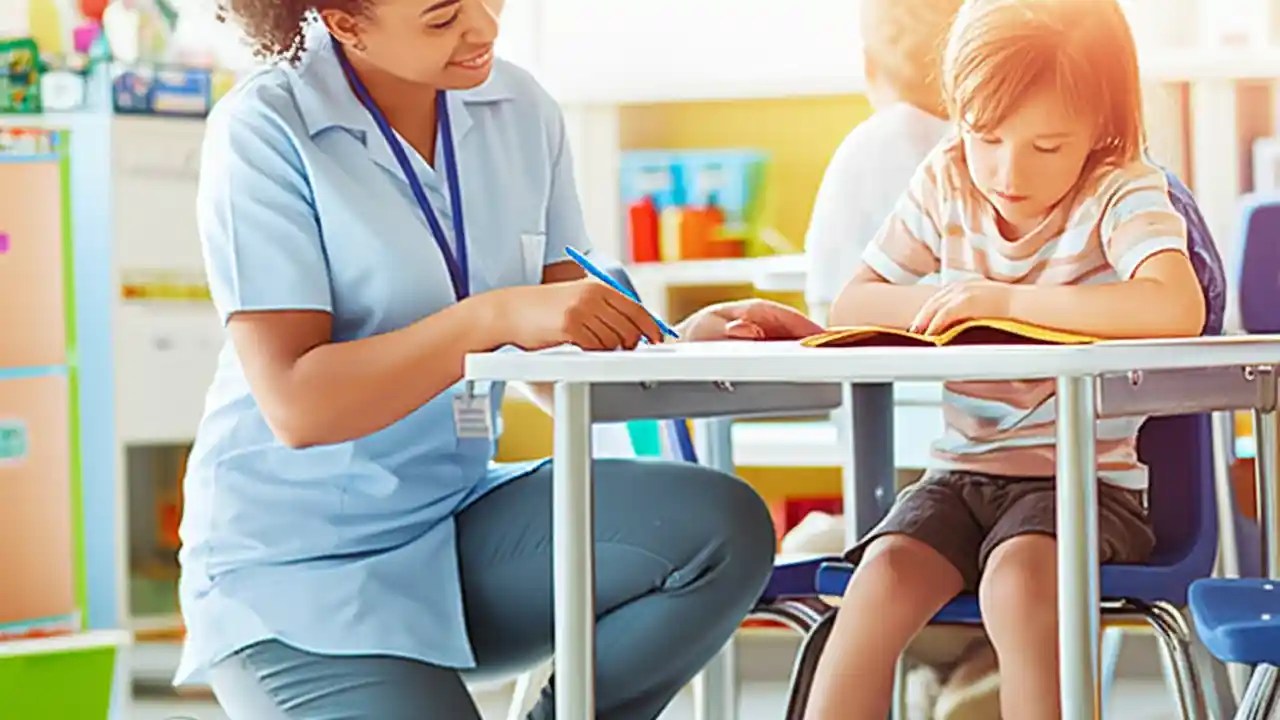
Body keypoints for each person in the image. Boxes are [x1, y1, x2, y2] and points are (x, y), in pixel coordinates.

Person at [176, 1, 822, 718]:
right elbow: (298, 405)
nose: (483, 28)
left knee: (718, 529)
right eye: (443, 16)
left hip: (452, 527)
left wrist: (682, 347)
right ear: (344, 22)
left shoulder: (519, 108)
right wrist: (490, 318)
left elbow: (562, 351)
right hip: (297, 579)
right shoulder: (263, 129)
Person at [806, 1, 1207, 719]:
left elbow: (1174, 306)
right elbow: (853, 304)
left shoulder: (1121, 186)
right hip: (963, 472)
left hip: (1084, 483)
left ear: (1101, 127)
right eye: (985, 135)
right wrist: (950, 305)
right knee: (878, 581)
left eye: (1046, 146)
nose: (1007, 171)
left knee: (1019, 585)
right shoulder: (947, 176)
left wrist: (1006, 303)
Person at [803, 0, 961, 324]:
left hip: (878, 357)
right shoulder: (995, 144)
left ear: (868, 68)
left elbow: (824, 298)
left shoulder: (864, 150)